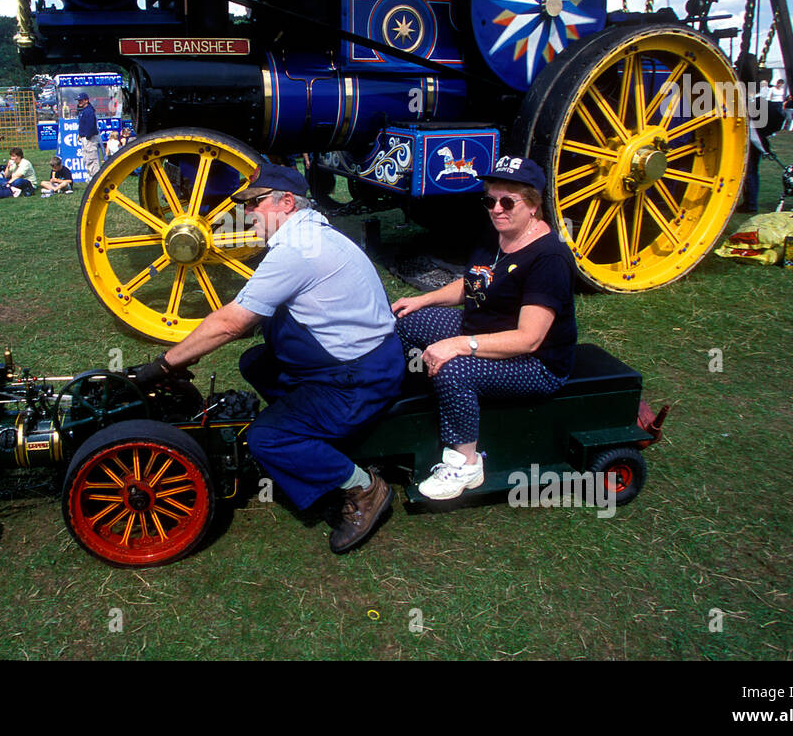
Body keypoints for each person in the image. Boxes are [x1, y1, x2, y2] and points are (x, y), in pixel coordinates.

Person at [131, 162, 405, 554]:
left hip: (360, 377)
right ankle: (314, 441)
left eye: (255, 204)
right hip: (358, 359)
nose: (247, 214)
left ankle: (362, 486)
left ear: (287, 202)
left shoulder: (296, 250)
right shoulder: (310, 235)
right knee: (255, 363)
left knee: (265, 438)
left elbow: (230, 323)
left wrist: (164, 365)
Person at [391, 156, 577, 500]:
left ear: (534, 205)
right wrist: (422, 300)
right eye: (489, 200)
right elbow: (473, 284)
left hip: (536, 365)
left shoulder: (548, 259)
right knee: (408, 322)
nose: (496, 209)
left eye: (507, 202)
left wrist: (459, 344)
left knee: (455, 369)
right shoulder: (498, 233)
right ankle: (400, 401)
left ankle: (467, 464)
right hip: (484, 326)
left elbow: (529, 339)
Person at [75, 92, 101, 180]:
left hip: (89, 138)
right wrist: (80, 134)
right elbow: (83, 124)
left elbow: (90, 125)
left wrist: (87, 136)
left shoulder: (89, 110)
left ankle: (96, 176)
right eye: (78, 100)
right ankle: (91, 175)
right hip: (84, 137)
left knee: (92, 157)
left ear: (86, 100)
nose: (79, 102)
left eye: (81, 100)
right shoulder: (83, 111)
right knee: (86, 157)